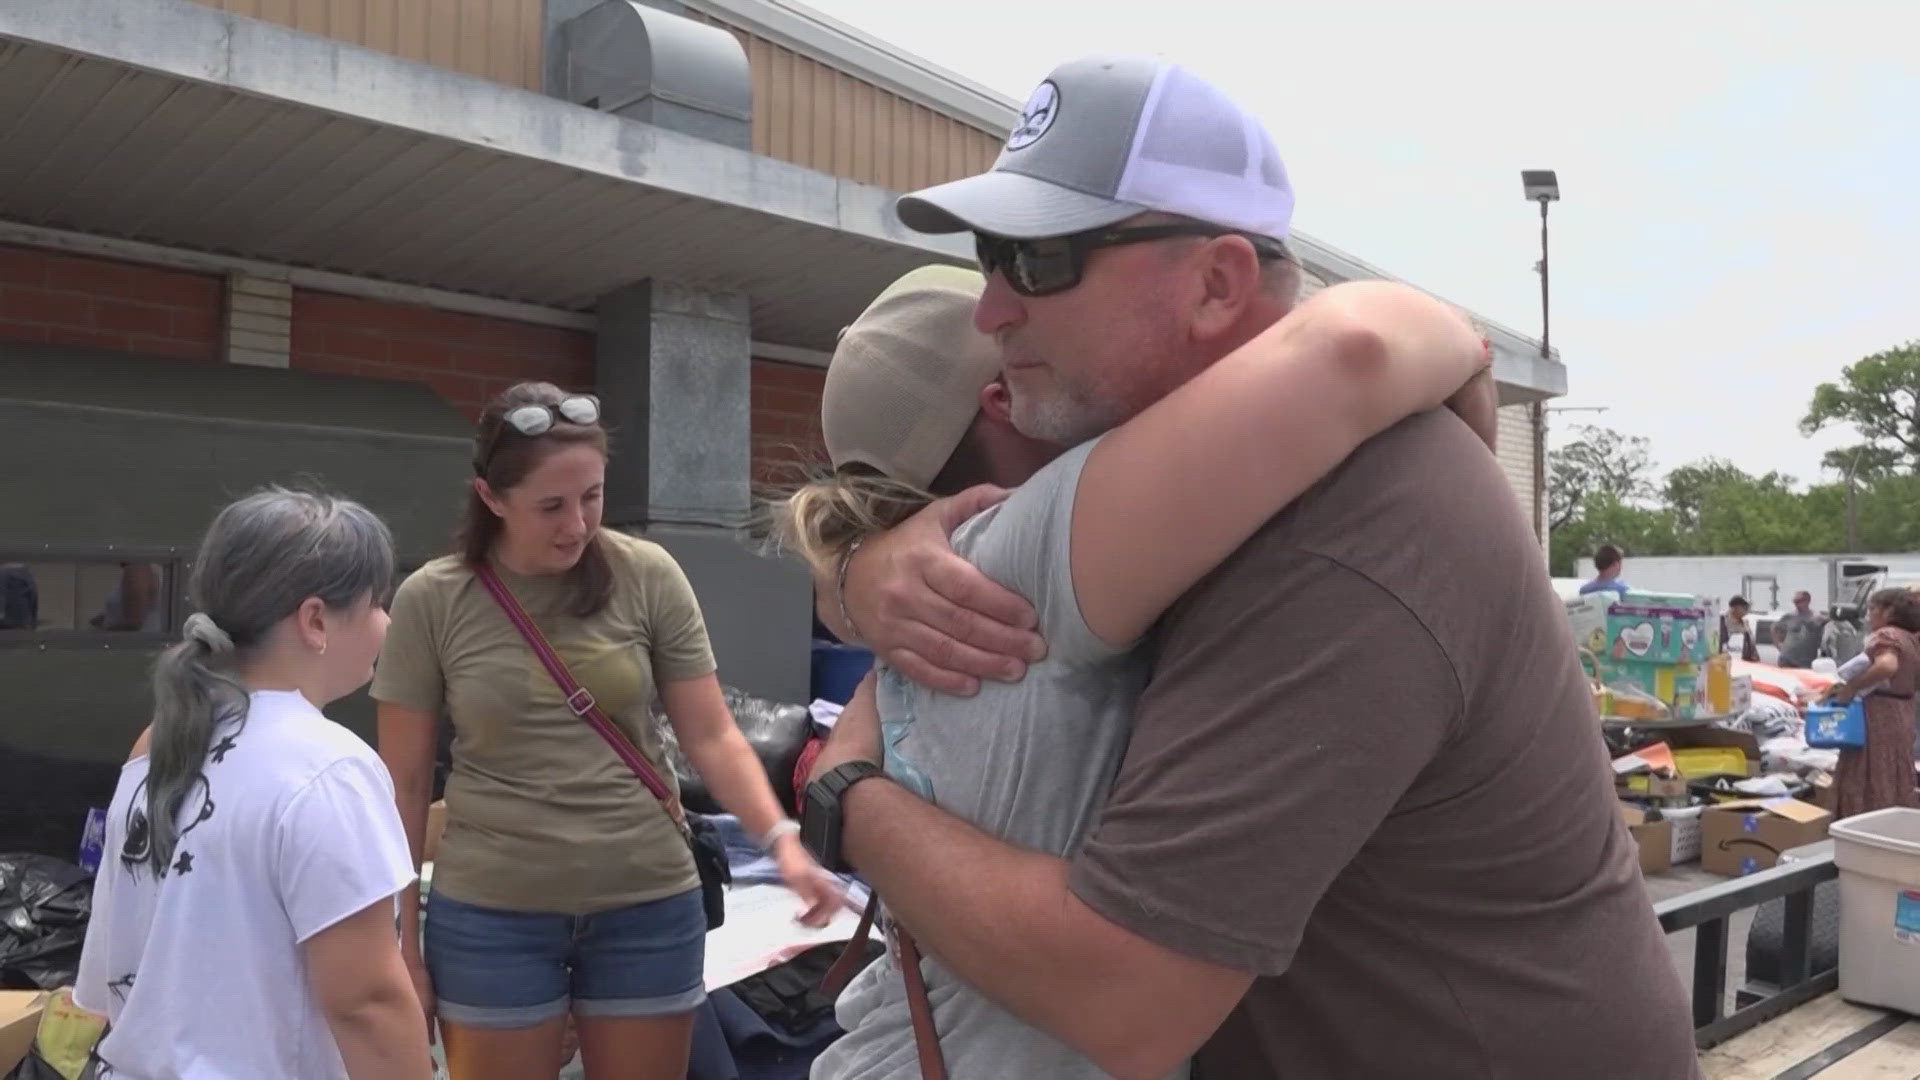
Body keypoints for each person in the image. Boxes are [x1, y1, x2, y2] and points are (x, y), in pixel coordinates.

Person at [803, 54, 1700, 1080]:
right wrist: (869, 572)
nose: (992, 310)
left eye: (1037, 262)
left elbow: (1126, 998)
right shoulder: (1205, 504)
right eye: (990, 257)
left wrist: (849, 796)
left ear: (1219, 284)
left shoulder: (1345, 519)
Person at [784, 258, 1489, 1078]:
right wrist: (1467, 349)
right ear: (1003, 398)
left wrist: (849, 578)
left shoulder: (930, 582)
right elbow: (1355, 349)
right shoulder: (1038, 544)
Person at [373, 382, 839, 1080]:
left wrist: (783, 840)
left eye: (592, 496)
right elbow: (403, 785)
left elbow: (711, 734)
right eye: (551, 506)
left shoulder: (646, 574)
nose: (578, 524)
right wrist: (401, 944)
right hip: (493, 915)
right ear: (492, 498)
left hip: (646, 905)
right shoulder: (433, 600)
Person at [74, 489, 431, 1079]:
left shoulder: (157, 743)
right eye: (376, 604)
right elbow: (367, 1002)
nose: (386, 623)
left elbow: (101, 988)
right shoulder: (330, 769)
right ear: (316, 620)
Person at [1823, 587, 1920, 818]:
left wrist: (1852, 687)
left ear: (1889, 611)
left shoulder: (1886, 635)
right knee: (1894, 771)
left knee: (1866, 771)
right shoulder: (1911, 640)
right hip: (1903, 712)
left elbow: (1887, 666)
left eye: (1872, 609)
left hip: (1877, 715)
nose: (1869, 615)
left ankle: (1862, 824)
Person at [1774, 590, 1827, 668]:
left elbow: (1830, 628)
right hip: (1787, 659)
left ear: (1808, 601)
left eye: (1799, 601)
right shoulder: (1789, 617)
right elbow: (1774, 628)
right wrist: (1779, 645)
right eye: (1794, 601)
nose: (1796, 604)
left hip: (1806, 661)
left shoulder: (1817, 618)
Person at [1723, 595, 1761, 662]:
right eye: (1744, 607)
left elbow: (1751, 645)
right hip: (1731, 661)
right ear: (1736, 608)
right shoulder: (1725, 623)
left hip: (1745, 661)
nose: (1746, 610)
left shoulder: (1744, 622)